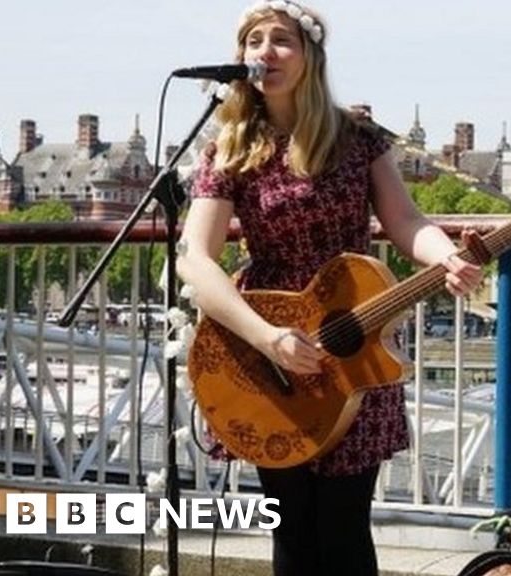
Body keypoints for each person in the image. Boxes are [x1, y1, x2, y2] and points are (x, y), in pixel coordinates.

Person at [176, 2, 483, 575]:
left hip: (354, 342)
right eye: (253, 41)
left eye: (281, 40)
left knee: (344, 527)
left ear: (310, 57)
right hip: (270, 348)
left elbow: (405, 221)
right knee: (292, 527)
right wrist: (267, 338)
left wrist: (446, 257)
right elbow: (195, 258)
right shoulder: (230, 148)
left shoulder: (357, 138)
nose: (265, 52)